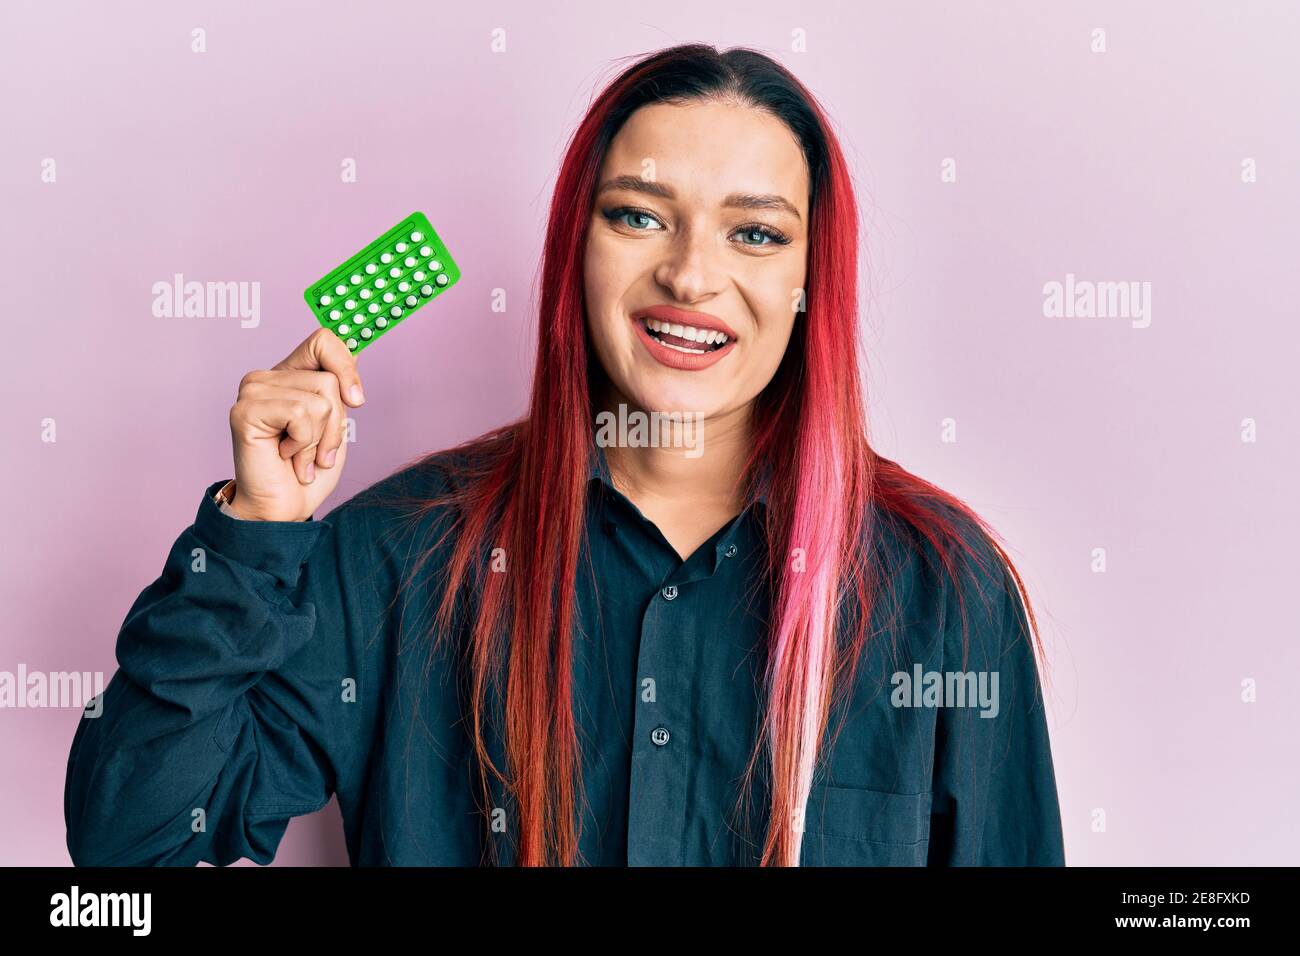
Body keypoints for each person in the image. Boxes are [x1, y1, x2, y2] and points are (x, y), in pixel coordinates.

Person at [64, 43, 1065, 867]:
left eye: (755, 234)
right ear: (574, 250)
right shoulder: (395, 555)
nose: (688, 272)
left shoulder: (944, 587)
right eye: (637, 215)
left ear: (812, 280)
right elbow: (130, 847)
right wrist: (252, 529)